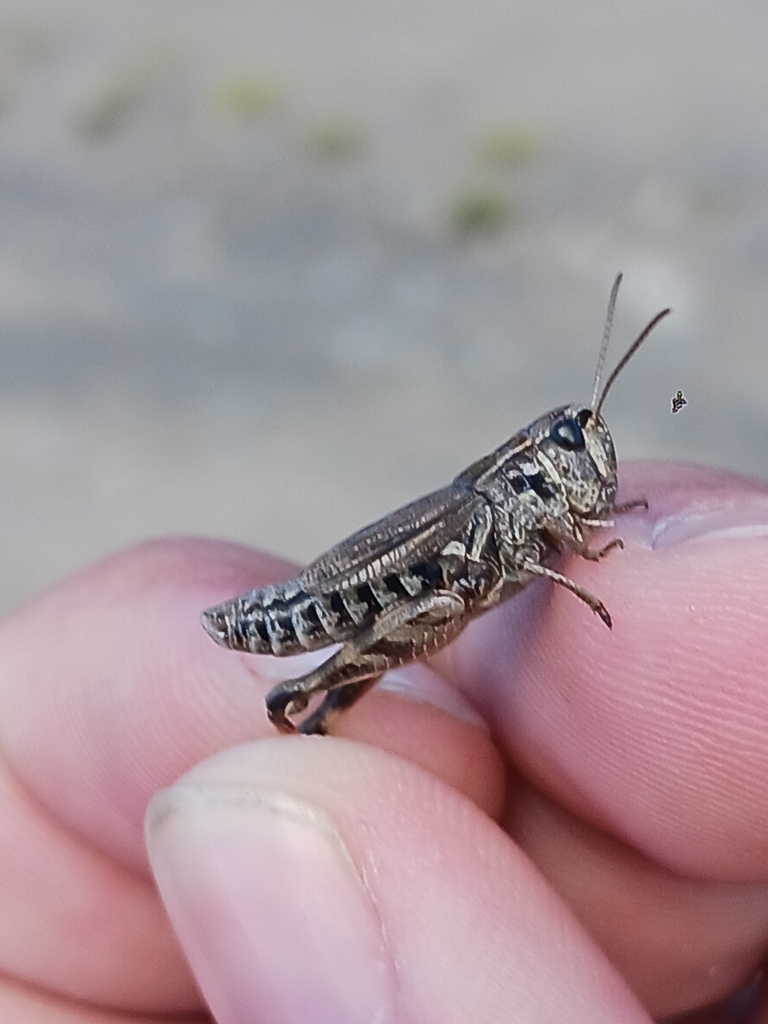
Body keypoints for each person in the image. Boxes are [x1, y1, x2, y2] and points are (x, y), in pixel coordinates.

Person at [0, 461, 766, 1024]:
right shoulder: (486, 515)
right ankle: (301, 769)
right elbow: (490, 577)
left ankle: (308, 756)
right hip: (354, 595)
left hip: (422, 601)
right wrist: (577, 573)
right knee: (360, 655)